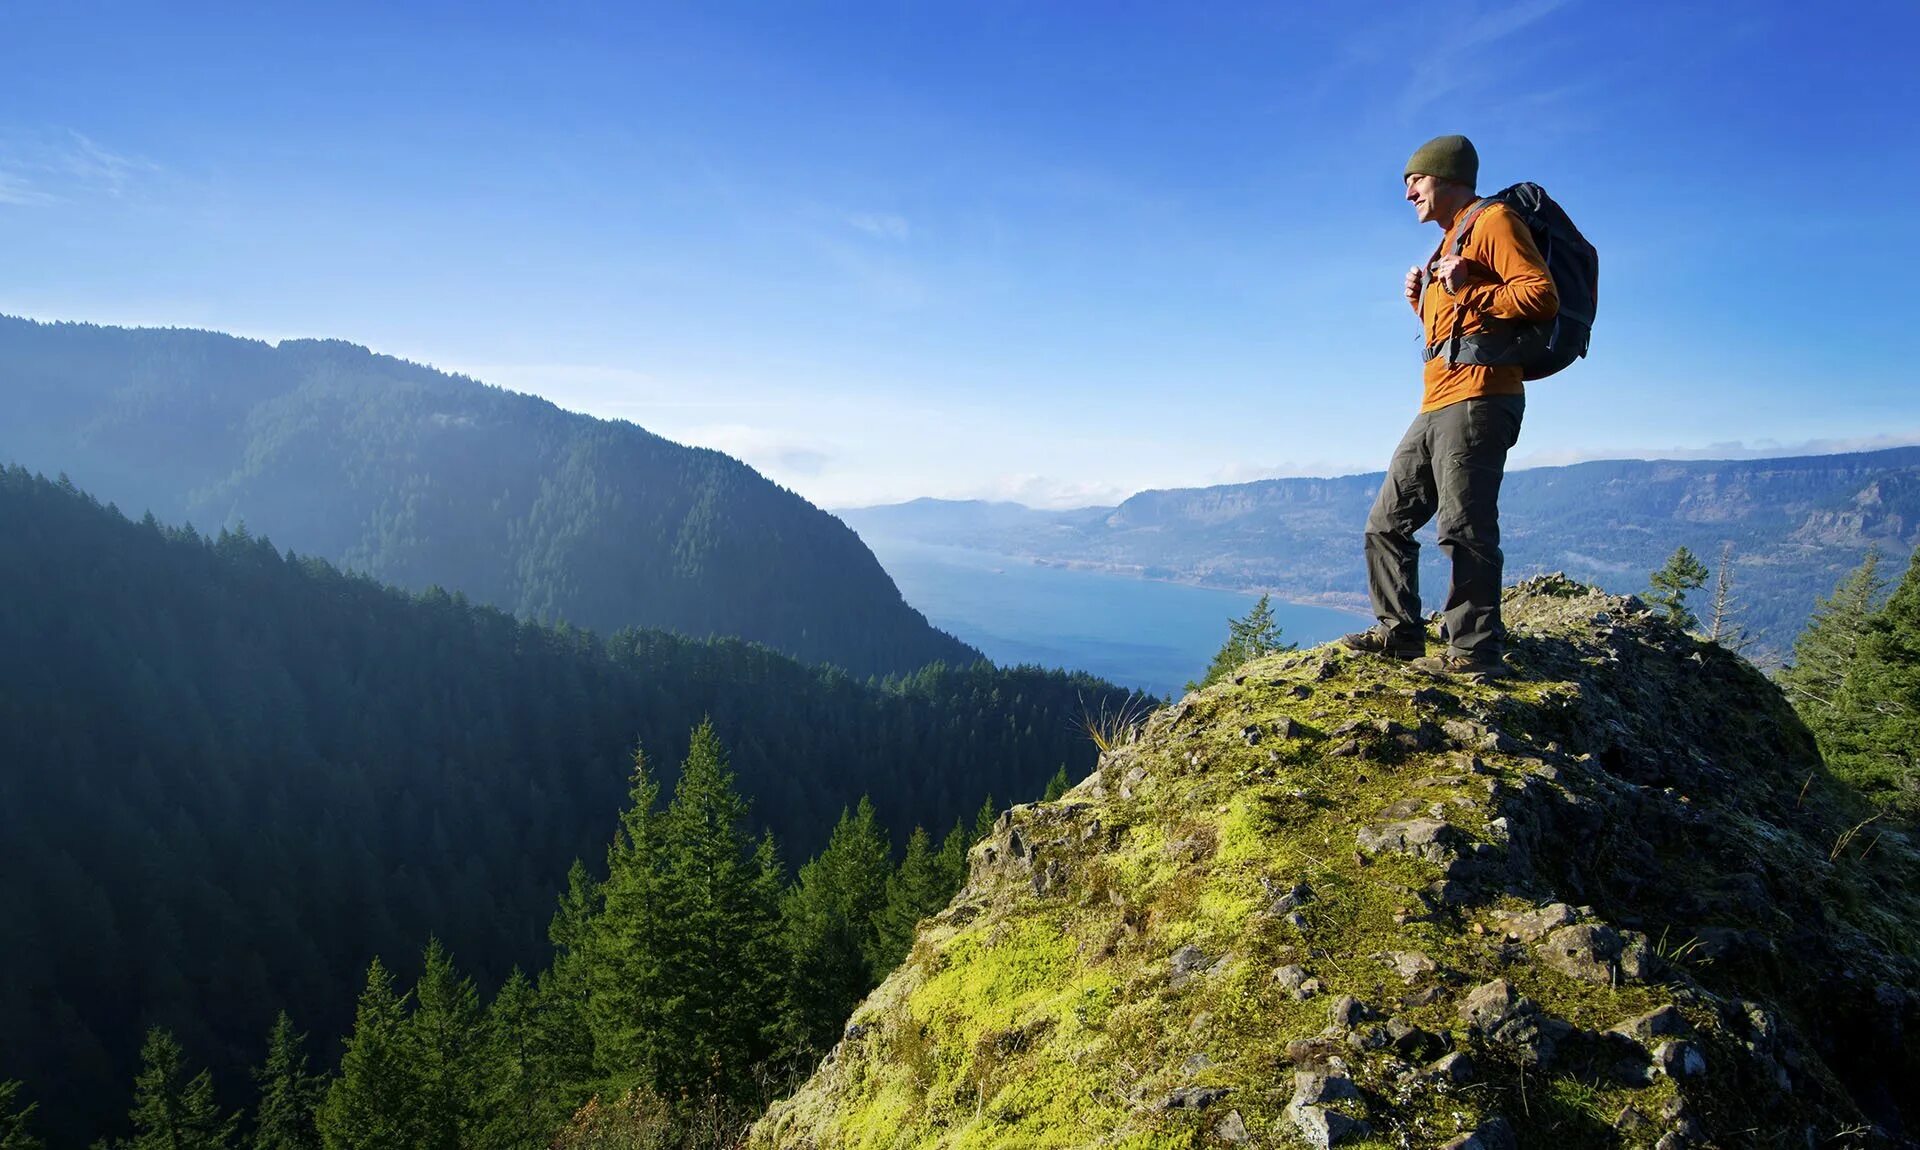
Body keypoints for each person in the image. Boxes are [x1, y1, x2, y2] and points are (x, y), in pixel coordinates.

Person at [1342, 134, 1558, 677]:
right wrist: (1421, 301)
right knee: (1385, 524)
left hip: (1481, 396)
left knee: (1463, 526)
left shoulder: (1493, 222)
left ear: (1447, 177)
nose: (1408, 193)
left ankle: (1474, 651)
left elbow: (1541, 295)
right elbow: (1457, 327)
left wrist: (1468, 287)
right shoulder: (1448, 242)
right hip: (1438, 399)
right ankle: (1399, 635)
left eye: (1416, 180)